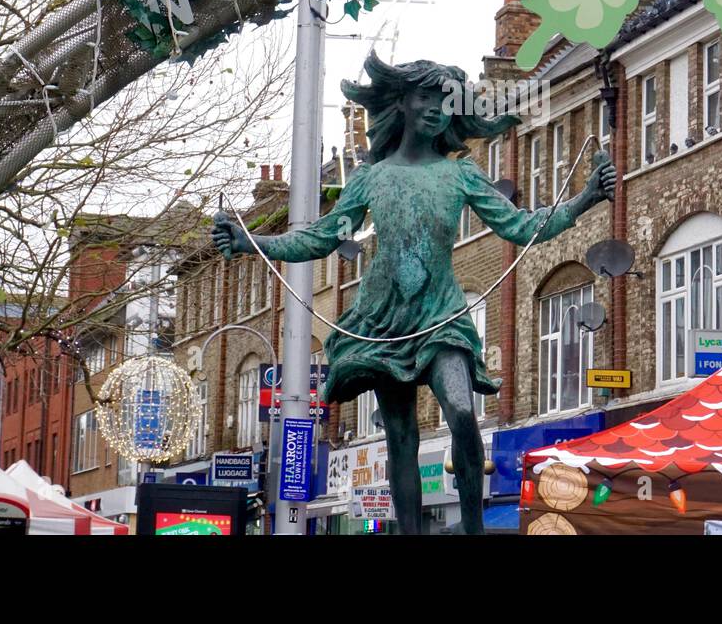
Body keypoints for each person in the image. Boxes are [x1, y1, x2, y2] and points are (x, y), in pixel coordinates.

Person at [212, 51, 615, 534]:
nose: (434, 109)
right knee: (400, 436)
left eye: (445, 101)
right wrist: (251, 240)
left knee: (463, 412)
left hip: (441, 312)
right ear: (401, 102)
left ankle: (472, 527)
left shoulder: (461, 175)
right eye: (425, 96)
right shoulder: (371, 178)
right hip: (385, 316)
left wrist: (585, 198)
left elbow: (520, 225)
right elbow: (321, 237)